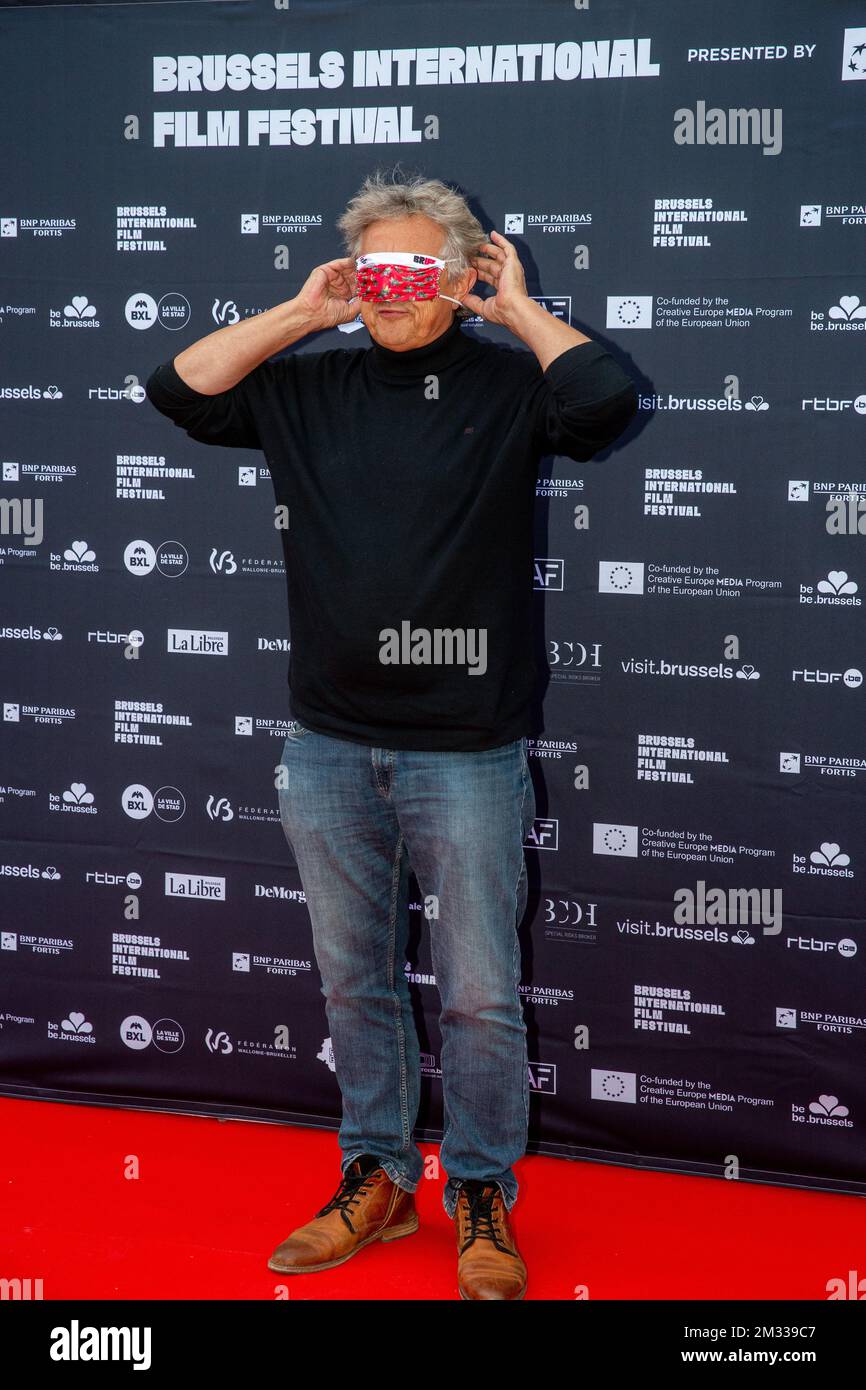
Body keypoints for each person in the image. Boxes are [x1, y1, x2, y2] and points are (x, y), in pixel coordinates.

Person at [145, 168, 638, 1301]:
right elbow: (175, 387)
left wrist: (509, 305)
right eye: (373, 270)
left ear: (458, 273)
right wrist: (305, 312)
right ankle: (371, 1172)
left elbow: (605, 399)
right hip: (326, 746)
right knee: (351, 980)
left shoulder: (511, 387)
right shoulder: (307, 385)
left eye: (416, 269)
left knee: (474, 990)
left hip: (465, 747)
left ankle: (477, 1189)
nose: (389, 289)